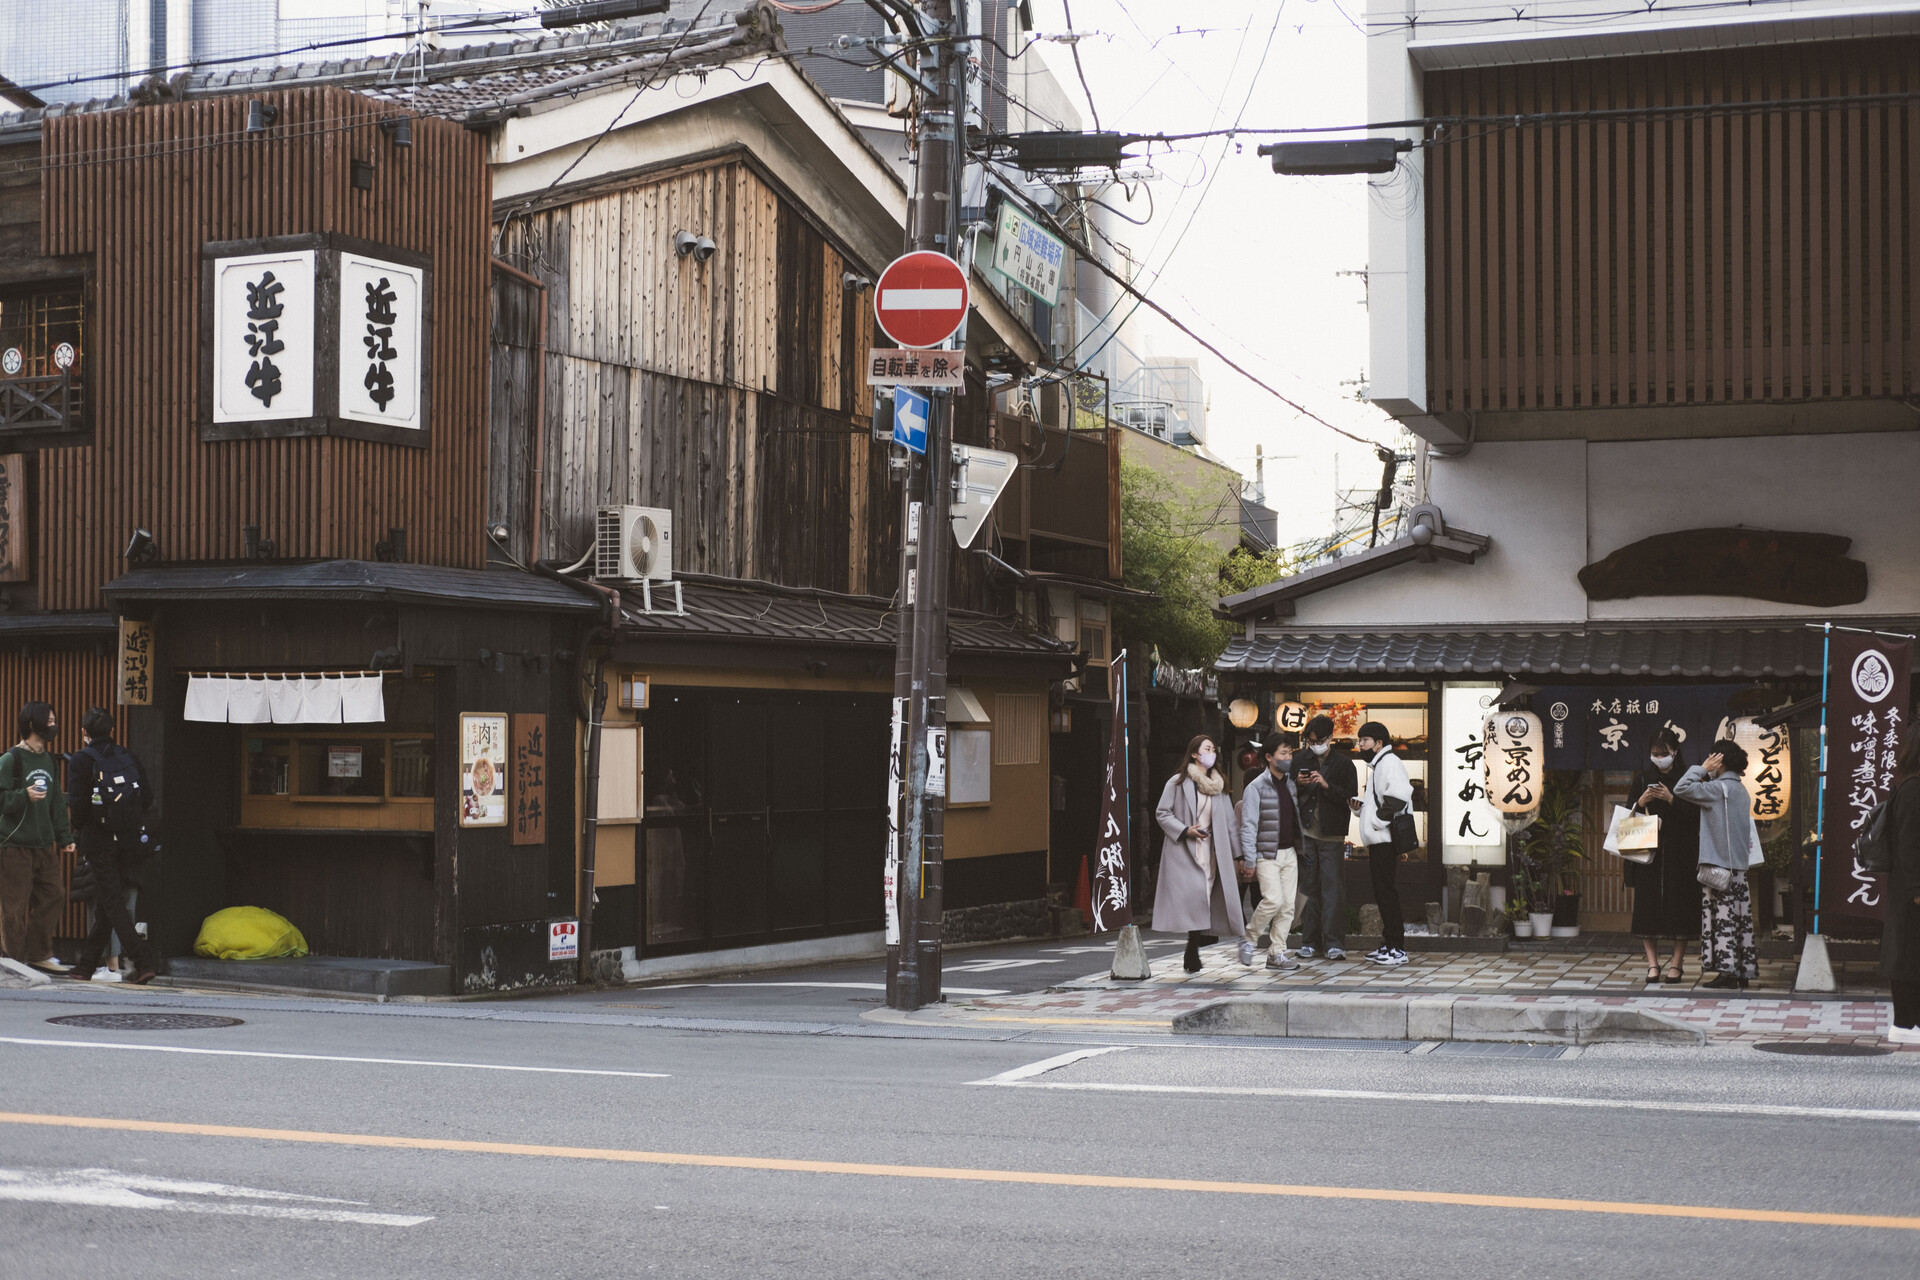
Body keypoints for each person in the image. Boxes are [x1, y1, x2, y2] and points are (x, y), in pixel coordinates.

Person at [62, 708, 157, 985]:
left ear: (84, 733)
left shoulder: (81, 760)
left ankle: (143, 962)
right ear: (112, 731)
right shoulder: (126, 755)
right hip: (128, 840)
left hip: (98, 842)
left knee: (113, 903)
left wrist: (82, 831)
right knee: (108, 904)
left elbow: (78, 809)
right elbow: (147, 797)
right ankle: (85, 966)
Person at [1153, 734, 1245, 974]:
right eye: (1207, 748)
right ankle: (1192, 948)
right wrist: (1185, 830)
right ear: (1194, 753)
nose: (1211, 753)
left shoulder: (1218, 785)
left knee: (1205, 895)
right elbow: (1162, 813)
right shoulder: (1177, 782)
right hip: (1185, 849)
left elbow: (1230, 824)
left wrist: (1238, 856)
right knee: (1195, 895)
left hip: (1212, 850)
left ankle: (1195, 945)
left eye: (1213, 749)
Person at [1674, 739, 1758, 989]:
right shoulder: (1741, 789)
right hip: (1738, 867)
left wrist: (1702, 768)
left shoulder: (1716, 789)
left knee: (1721, 919)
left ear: (1719, 761)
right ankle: (1743, 971)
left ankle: (1726, 972)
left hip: (1718, 866)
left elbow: (1681, 788)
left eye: (1712, 758)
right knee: (1740, 919)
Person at [0, 701, 75, 974]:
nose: (54, 725)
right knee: (13, 907)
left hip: (44, 845)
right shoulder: (11, 759)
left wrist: (64, 837)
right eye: (50, 721)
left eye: (54, 720)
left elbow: (56, 803)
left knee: (54, 895)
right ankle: (13, 961)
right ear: (32, 724)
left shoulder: (48, 760)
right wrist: (24, 796)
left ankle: (39, 954)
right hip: (14, 844)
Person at [1626, 729, 1703, 984]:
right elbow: (1627, 816)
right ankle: (1652, 964)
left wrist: (1671, 799)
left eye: (1663, 753)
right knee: (1647, 907)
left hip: (1681, 852)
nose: (1658, 758)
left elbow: (1698, 816)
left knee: (1680, 906)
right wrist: (1640, 802)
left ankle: (1677, 964)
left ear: (1675, 751)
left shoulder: (1687, 779)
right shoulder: (1641, 780)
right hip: (1648, 852)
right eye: (1654, 754)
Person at [1291, 714, 1356, 961]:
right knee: (1308, 889)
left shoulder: (1343, 764)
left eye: (1319, 741)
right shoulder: (1299, 760)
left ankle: (1334, 943)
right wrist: (1297, 782)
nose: (1314, 745)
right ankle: (1309, 942)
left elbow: (1350, 796)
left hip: (1332, 835)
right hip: (1306, 833)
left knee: (1332, 890)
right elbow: (1286, 792)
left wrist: (1327, 786)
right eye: (1310, 741)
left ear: (1330, 737)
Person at [1236, 735, 1301, 971]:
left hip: (1289, 852)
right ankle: (1249, 939)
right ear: (1269, 757)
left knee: (1288, 906)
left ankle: (1276, 953)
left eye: (1290, 753)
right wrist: (1249, 859)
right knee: (1273, 900)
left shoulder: (1291, 784)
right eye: (1283, 753)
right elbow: (1248, 825)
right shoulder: (1255, 787)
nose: (1288, 758)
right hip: (1266, 853)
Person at [1354, 721, 1412, 967]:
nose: (1360, 745)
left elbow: (1399, 797)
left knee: (1386, 892)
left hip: (1385, 839)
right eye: (1359, 741)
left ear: (1378, 743)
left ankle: (1397, 948)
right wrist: (1360, 809)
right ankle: (1390, 944)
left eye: (1364, 740)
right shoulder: (1381, 764)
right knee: (1383, 892)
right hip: (1381, 839)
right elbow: (1384, 800)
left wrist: (1377, 822)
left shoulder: (1389, 762)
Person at [1881, 733, 1920, 1044]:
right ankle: (1904, 1025)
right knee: (1907, 956)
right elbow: (1909, 843)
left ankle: (1909, 1023)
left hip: (1908, 886)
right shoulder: (1913, 789)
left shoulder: (1909, 785)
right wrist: (1917, 888)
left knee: (1909, 954)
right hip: (1911, 889)